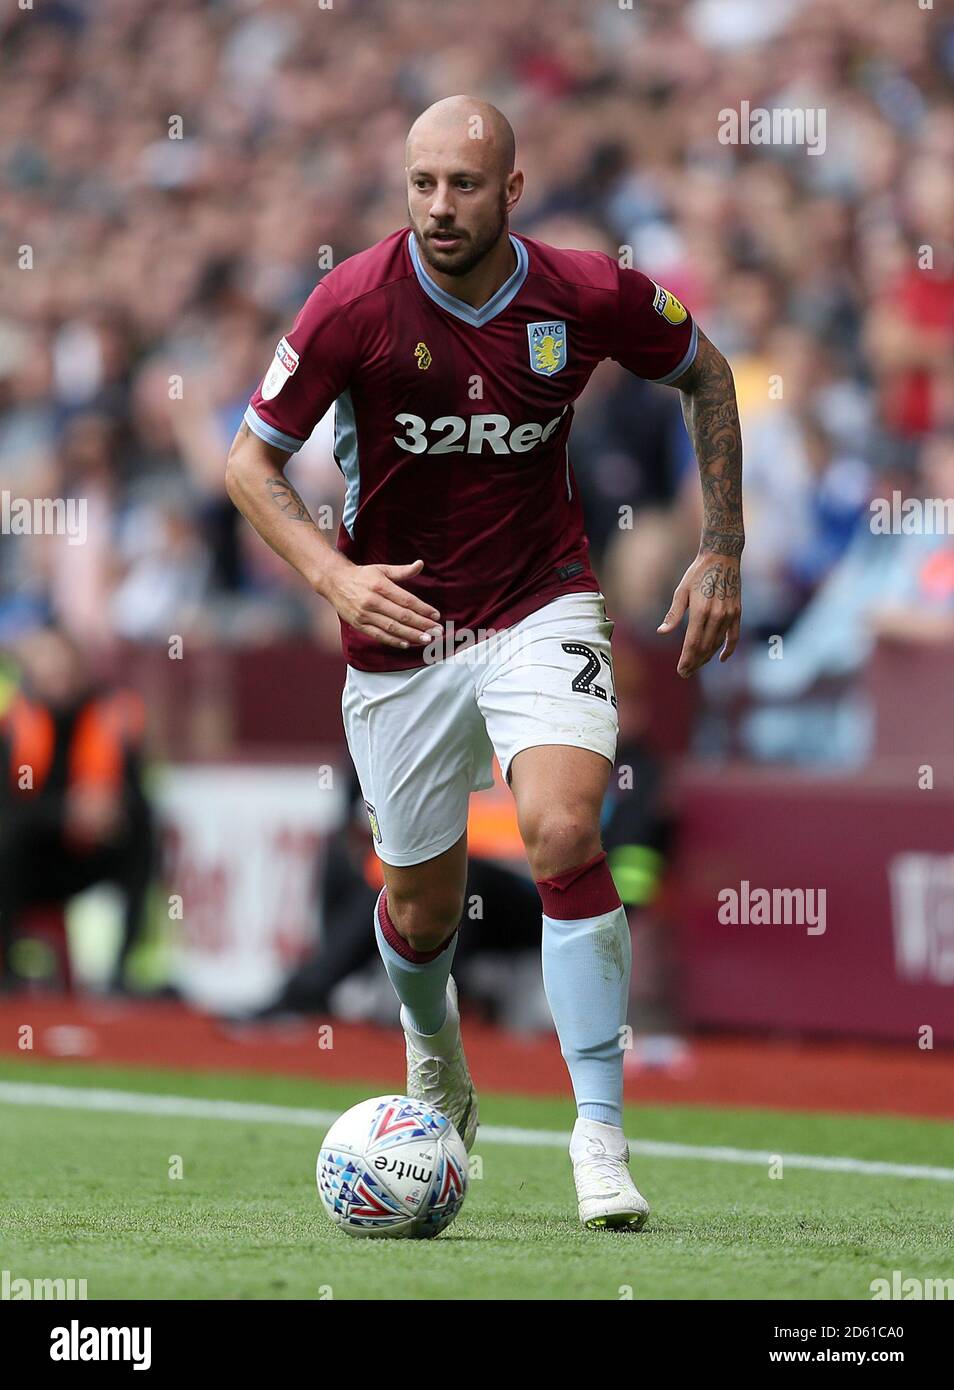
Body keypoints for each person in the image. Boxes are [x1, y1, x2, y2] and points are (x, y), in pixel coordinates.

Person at [225, 96, 744, 1231]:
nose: (439, 206)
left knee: (566, 828)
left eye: (463, 185)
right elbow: (248, 466)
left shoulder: (583, 293)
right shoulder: (350, 303)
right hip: (400, 631)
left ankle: (598, 1133)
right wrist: (334, 578)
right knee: (419, 909)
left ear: (513, 191)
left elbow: (708, 374)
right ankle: (435, 1054)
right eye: (421, 184)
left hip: (537, 602)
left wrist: (722, 546)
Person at [0, 626, 154, 992]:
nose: (58, 676)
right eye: (47, 665)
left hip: (90, 855)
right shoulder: (13, 727)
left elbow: (137, 796)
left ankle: (122, 971)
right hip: (29, 865)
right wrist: (64, 813)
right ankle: (7, 968)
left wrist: (110, 811)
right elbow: (8, 811)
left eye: (64, 664)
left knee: (144, 831)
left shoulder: (112, 717)